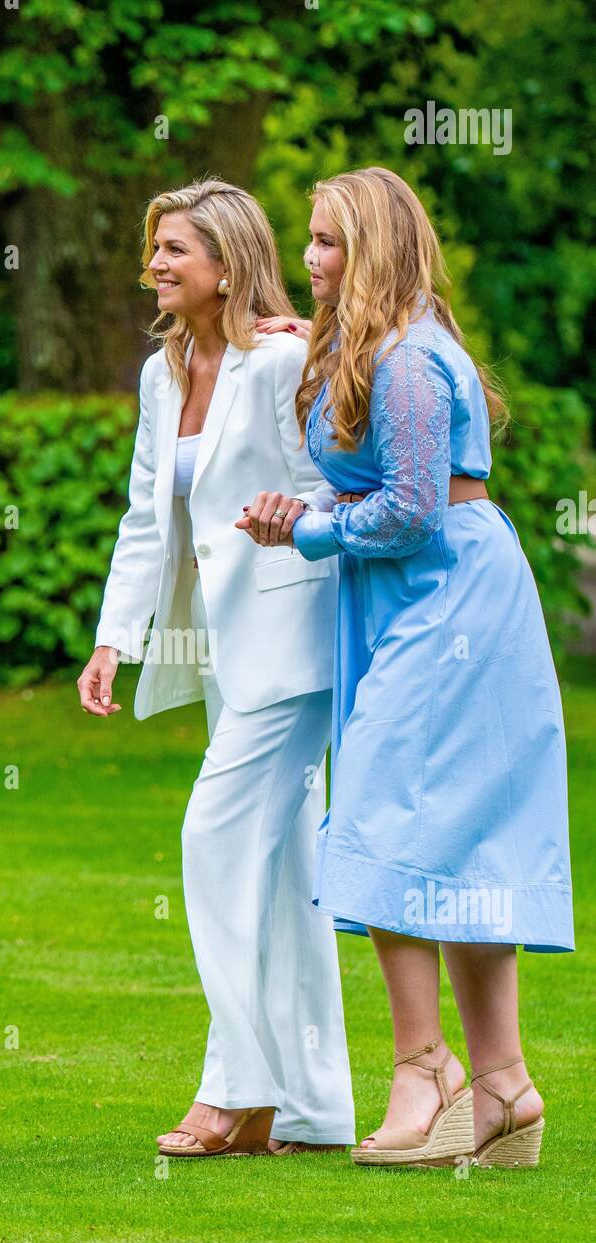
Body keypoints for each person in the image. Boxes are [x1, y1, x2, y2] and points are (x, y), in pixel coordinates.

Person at [239, 166, 574, 1168]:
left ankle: (423, 1068)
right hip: (414, 600)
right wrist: (301, 334)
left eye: (330, 243)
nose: (309, 259)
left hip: (447, 598)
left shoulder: (406, 362)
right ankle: (503, 1086)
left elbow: (410, 509)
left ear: (377, 246)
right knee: (451, 831)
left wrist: (305, 525)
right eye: (307, 239)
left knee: (384, 813)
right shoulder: (376, 346)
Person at [78, 178, 356, 1157]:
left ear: (226, 265)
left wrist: (297, 529)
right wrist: (117, 635)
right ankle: (315, 1109)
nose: (155, 262)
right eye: (152, 247)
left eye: (175, 250)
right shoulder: (164, 370)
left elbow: (331, 484)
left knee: (213, 838)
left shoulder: (281, 358)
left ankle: (234, 1088)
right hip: (221, 653)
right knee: (283, 872)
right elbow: (147, 513)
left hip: (289, 644)